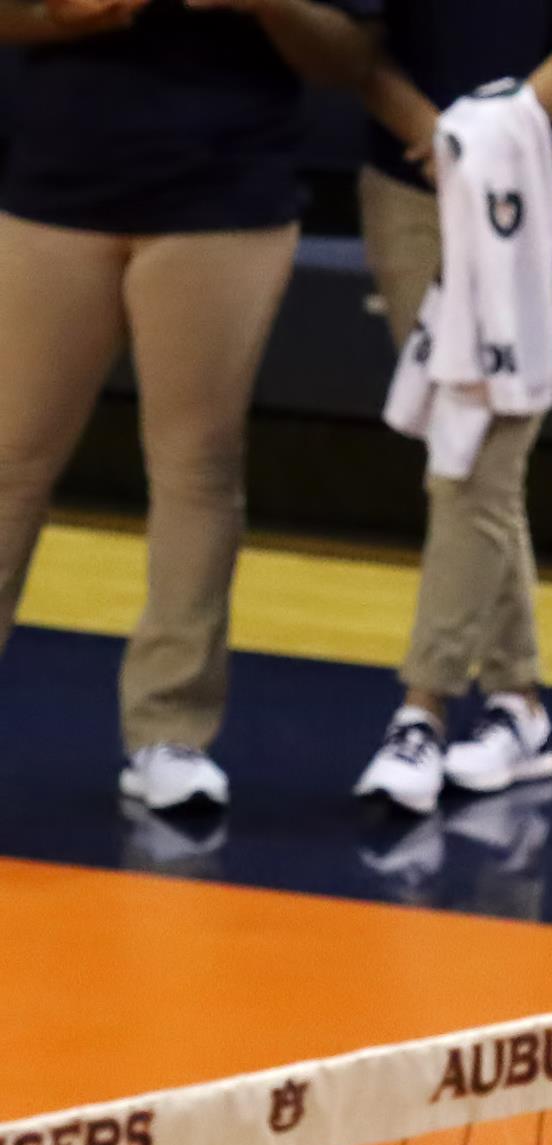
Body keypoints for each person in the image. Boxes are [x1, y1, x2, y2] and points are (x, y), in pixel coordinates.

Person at [0, 0, 380, 811]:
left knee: (196, 467)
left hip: (224, 199)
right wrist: (75, 12)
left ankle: (169, 730)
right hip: (52, 191)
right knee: (9, 460)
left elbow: (350, 55)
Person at [347, 0, 552, 815]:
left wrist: (492, 132)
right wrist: (442, 139)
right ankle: (519, 709)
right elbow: (356, 44)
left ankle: (423, 709)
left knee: (479, 452)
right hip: (416, 193)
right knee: (475, 457)